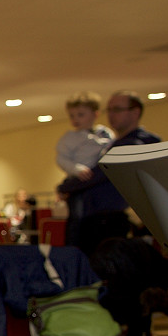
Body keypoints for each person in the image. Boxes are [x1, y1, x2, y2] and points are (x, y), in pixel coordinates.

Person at [58, 90, 161, 257]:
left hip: (105, 220)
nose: (111, 115)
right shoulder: (109, 142)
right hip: (95, 219)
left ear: (135, 112)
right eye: (109, 110)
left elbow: (98, 174)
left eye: (117, 109)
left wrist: (64, 187)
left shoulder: (134, 143)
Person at [55, 92, 114, 248]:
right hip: (78, 181)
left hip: (95, 182)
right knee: (78, 217)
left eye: (80, 115)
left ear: (95, 114)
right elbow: (61, 159)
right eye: (72, 116)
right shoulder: (70, 137)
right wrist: (76, 169)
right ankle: (74, 245)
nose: (75, 120)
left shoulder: (104, 133)